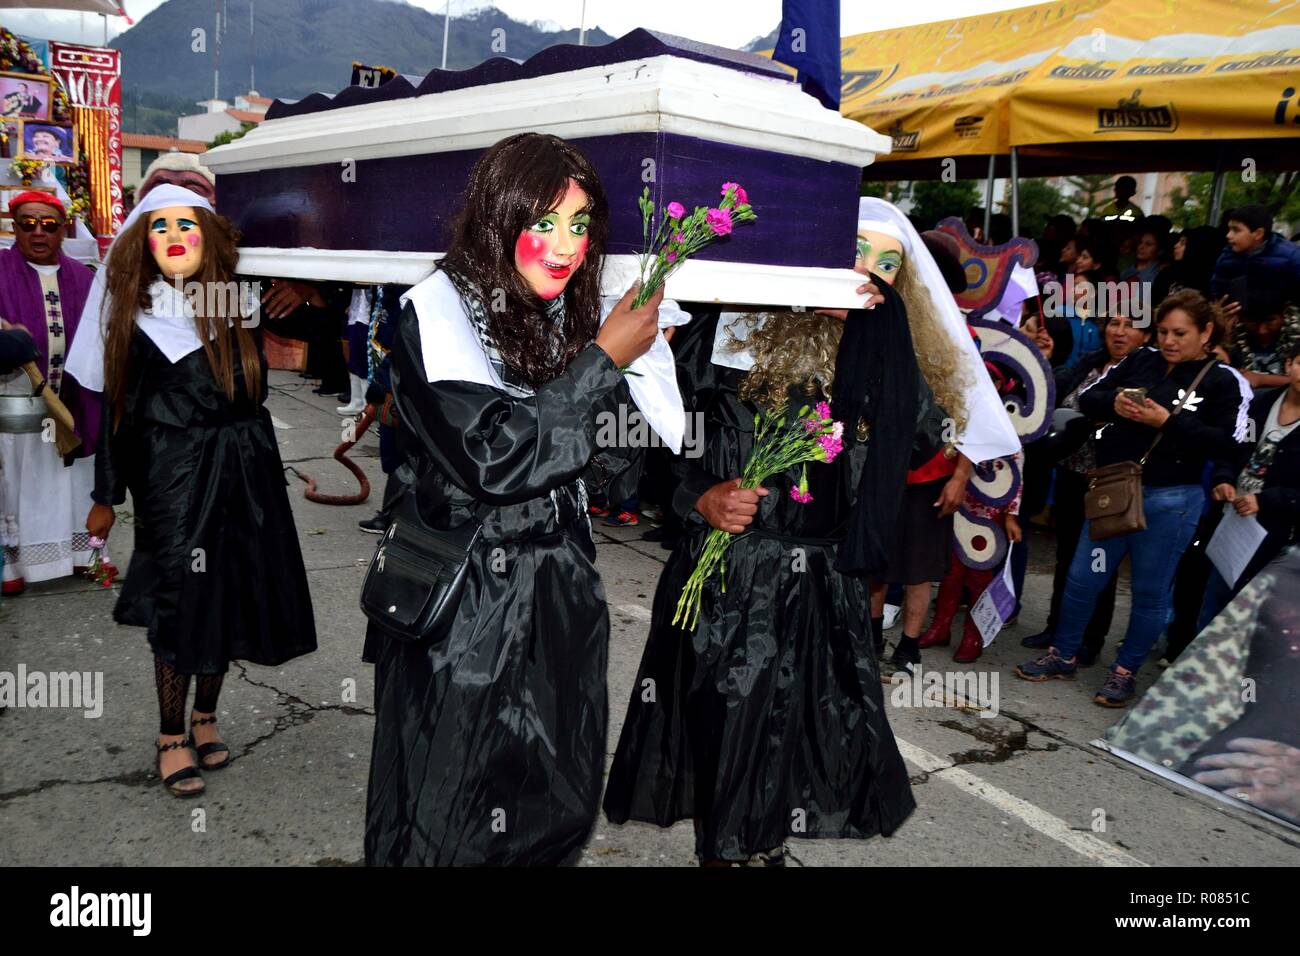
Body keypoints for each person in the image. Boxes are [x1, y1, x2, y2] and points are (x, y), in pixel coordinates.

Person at [362, 133, 673, 866]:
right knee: (452, 805)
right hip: (466, 609)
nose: (565, 245)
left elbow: (610, 466)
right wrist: (604, 362)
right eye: (542, 222)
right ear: (497, 218)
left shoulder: (559, 309)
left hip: (559, 597)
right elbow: (494, 457)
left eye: (580, 222)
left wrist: (644, 365)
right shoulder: (432, 312)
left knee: (552, 795)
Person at [604, 294, 919, 864]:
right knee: (727, 715)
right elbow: (648, 440)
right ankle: (723, 851)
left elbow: (917, 435)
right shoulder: (716, 329)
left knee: (799, 721)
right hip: (731, 567)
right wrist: (697, 495)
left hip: (825, 577)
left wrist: (877, 329)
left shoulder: (875, 345)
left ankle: (765, 840)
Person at [81, 184, 318, 797]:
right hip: (173, 476)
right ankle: (169, 735)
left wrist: (314, 293)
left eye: (187, 226)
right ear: (143, 242)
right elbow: (117, 412)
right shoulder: (135, 315)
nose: (175, 238)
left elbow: (332, 337)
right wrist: (106, 496)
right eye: (160, 229)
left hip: (246, 470)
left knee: (232, 588)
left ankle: (206, 717)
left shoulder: (239, 302)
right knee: (180, 599)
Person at [1015, 290, 1252, 707]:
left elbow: (1230, 445)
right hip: (1114, 490)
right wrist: (1117, 405)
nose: (1169, 340)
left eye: (1180, 332)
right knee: (1083, 579)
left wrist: (1169, 421)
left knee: (1149, 591)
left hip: (1171, 501)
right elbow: (1088, 397)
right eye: (1162, 331)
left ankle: (1124, 673)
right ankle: (1063, 654)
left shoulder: (1224, 380)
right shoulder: (1141, 359)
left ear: (1206, 331)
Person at [850, 199, 1020, 680]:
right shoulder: (874, 314)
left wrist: (961, 476)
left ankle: (908, 649)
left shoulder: (953, 336)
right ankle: (868, 639)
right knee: (876, 564)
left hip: (931, 475)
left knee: (919, 567)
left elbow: (972, 411)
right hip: (880, 469)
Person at [1021, 312, 1152, 662]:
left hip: (1108, 480)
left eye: (1130, 326)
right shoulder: (1090, 364)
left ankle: (1090, 639)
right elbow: (1056, 393)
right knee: (1066, 555)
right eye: (1114, 324)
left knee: (1099, 563)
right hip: (1069, 473)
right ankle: (1056, 628)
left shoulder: (1147, 373)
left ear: (1146, 335)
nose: (1119, 332)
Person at [0, 192, 96, 595]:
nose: (38, 232)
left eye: (49, 224)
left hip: (71, 401)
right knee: (17, 480)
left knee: (71, 483)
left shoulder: (84, 276)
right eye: (27, 223)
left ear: (63, 229)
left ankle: (80, 554)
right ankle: (12, 564)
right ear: (14, 226)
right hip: (14, 398)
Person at [1198, 343, 1300, 628]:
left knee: (1254, 619)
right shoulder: (1262, 403)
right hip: (1232, 521)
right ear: (1289, 364)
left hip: (1277, 534)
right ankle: (1195, 666)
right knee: (1213, 602)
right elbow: (1233, 448)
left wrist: (1265, 500)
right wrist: (1223, 479)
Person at [1211, 203, 1300, 308]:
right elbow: (1216, 291)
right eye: (1229, 229)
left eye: (1236, 230)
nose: (1228, 235)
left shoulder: (1291, 257)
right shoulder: (1227, 256)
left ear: (1258, 234)